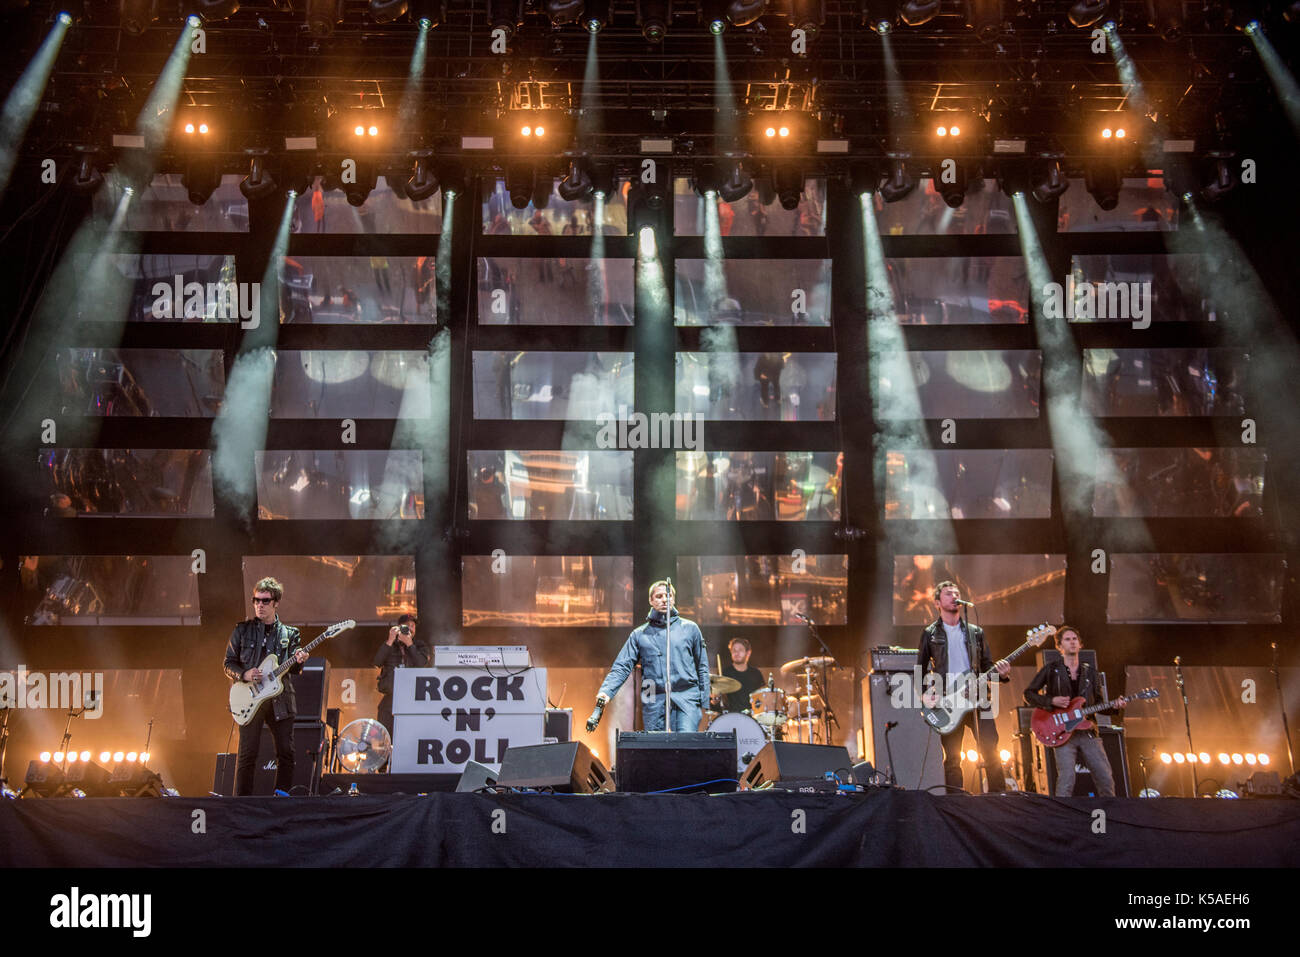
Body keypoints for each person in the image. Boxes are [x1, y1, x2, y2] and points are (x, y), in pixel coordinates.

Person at [916, 580, 1011, 793]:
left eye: (956, 593)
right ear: (937, 603)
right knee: (952, 758)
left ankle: (1000, 799)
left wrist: (1002, 675)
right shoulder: (930, 633)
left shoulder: (975, 632)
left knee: (991, 751)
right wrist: (924, 696)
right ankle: (956, 806)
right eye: (948, 594)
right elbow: (919, 670)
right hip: (948, 701)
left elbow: (987, 666)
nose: (954, 596)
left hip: (978, 698)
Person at [222, 577, 309, 796]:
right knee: (247, 754)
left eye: (265, 601)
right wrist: (244, 673)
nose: (260, 605)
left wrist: (300, 660)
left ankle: (281, 800)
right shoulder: (242, 630)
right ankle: (242, 804)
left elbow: (294, 669)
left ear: (276, 602)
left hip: (280, 699)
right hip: (251, 698)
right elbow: (228, 663)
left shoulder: (290, 634)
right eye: (256, 600)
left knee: (286, 753)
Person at [1023, 625, 1127, 797]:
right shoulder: (1051, 669)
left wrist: (1114, 707)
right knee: (1066, 779)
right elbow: (1028, 694)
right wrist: (1051, 700)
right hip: (1062, 731)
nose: (1072, 642)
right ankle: (1062, 819)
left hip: (1087, 731)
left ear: (1080, 644)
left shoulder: (1091, 673)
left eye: (1074, 639)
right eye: (1067, 639)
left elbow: (1099, 704)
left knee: (1105, 777)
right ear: (1060, 646)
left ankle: (1109, 817)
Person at [593, 581, 710, 732]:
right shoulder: (639, 634)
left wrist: (704, 699)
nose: (664, 599)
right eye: (659, 596)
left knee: (684, 744)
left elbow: (702, 665)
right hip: (653, 696)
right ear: (651, 601)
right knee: (656, 747)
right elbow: (622, 665)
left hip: (686, 695)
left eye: (668, 595)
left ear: (673, 599)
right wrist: (606, 691)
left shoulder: (690, 629)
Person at [374, 614, 429, 738]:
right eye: (406, 625)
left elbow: (421, 663)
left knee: (409, 734)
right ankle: (388, 756)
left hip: (411, 698)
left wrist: (410, 645)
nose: (409, 628)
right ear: (398, 627)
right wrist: (390, 640)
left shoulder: (420, 646)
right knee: (386, 735)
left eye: (412, 626)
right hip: (391, 698)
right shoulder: (390, 645)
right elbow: (377, 662)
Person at [711, 637, 765, 714]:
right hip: (730, 717)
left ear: (748, 653)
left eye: (740, 650)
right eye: (734, 650)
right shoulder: (724, 673)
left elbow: (762, 699)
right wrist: (714, 701)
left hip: (752, 718)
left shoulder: (756, 673)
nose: (737, 653)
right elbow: (716, 705)